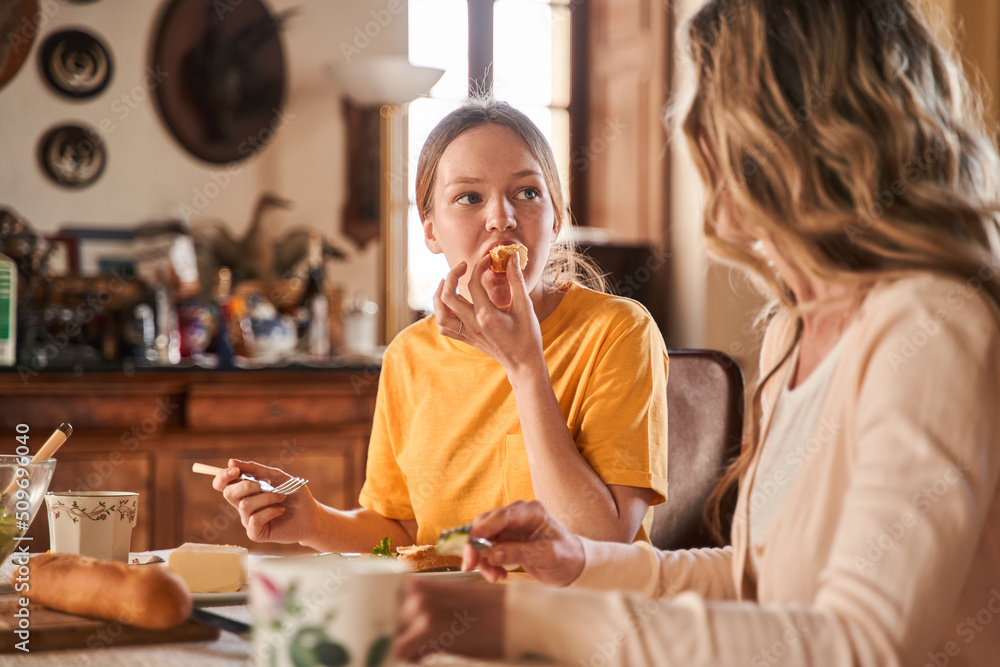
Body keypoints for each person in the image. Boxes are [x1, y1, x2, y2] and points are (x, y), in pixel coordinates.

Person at [395, 1, 1000, 664]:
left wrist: (538, 621)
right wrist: (578, 564)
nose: (701, 138)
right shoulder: (792, 331)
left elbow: (857, 646)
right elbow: (756, 579)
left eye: (716, 105)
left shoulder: (931, 326)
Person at [211, 99, 669, 553]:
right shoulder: (408, 356)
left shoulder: (620, 332)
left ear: (556, 217)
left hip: (576, 621)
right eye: (469, 197)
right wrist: (312, 522)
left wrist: (525, 365)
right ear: (430, 230)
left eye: (528, 193)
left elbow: (601, 542)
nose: (501, 219)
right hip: (449, 616)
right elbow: (407, 535)